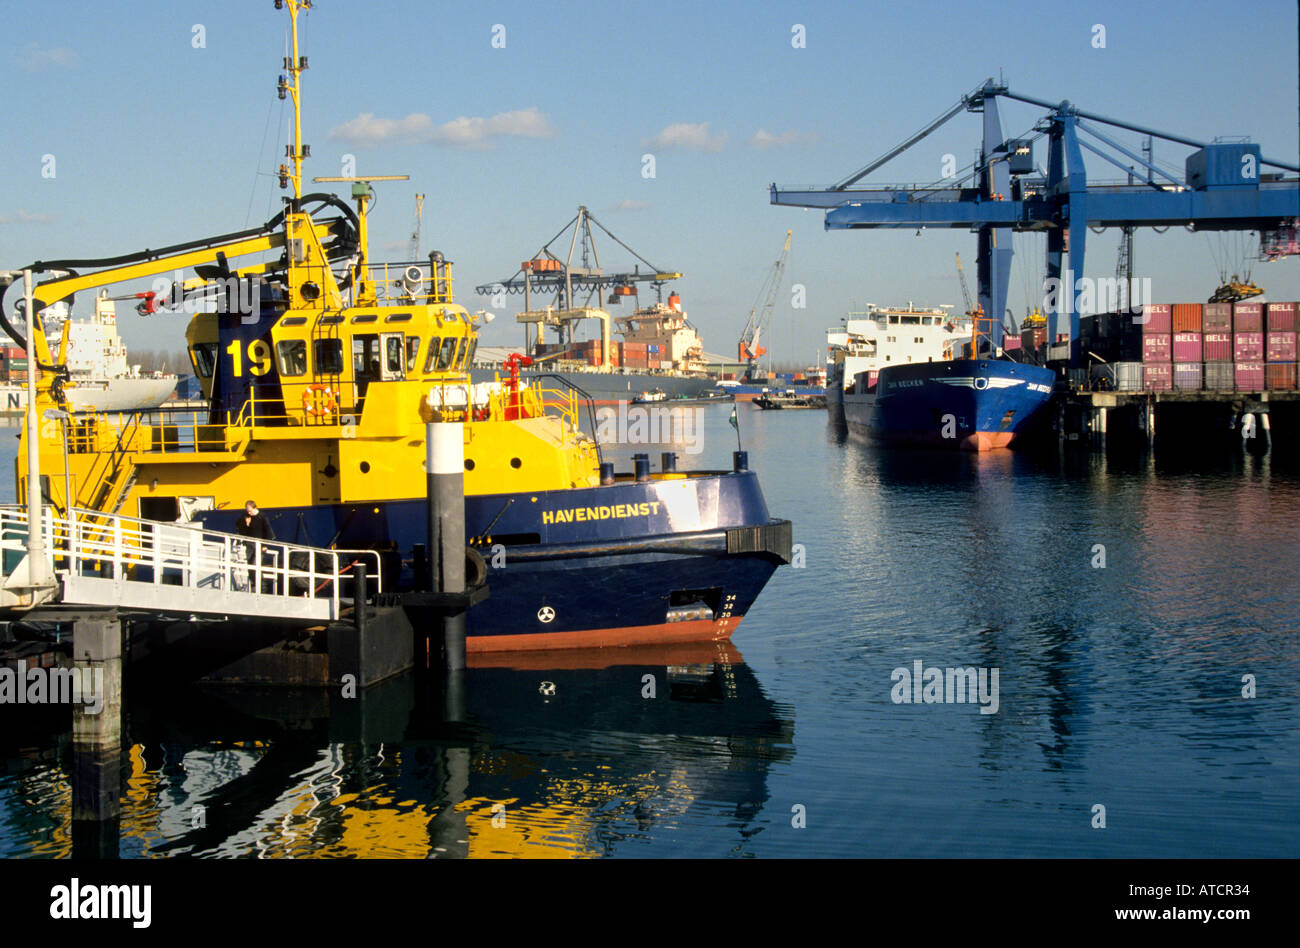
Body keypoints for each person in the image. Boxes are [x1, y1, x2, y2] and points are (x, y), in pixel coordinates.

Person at [235, 500, 276, 591]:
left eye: (250, 510)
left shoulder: (262, 517)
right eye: (247, 511)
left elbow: (268, 531)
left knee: (256, 565)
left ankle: (261, 587)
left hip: (260, 544)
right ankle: (254, 586)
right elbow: (241, 530)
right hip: (250, 544)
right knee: (250, 565)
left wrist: (265, 545)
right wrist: (247, 524)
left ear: (255, 508)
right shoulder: (246, 517)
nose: (249, 512)